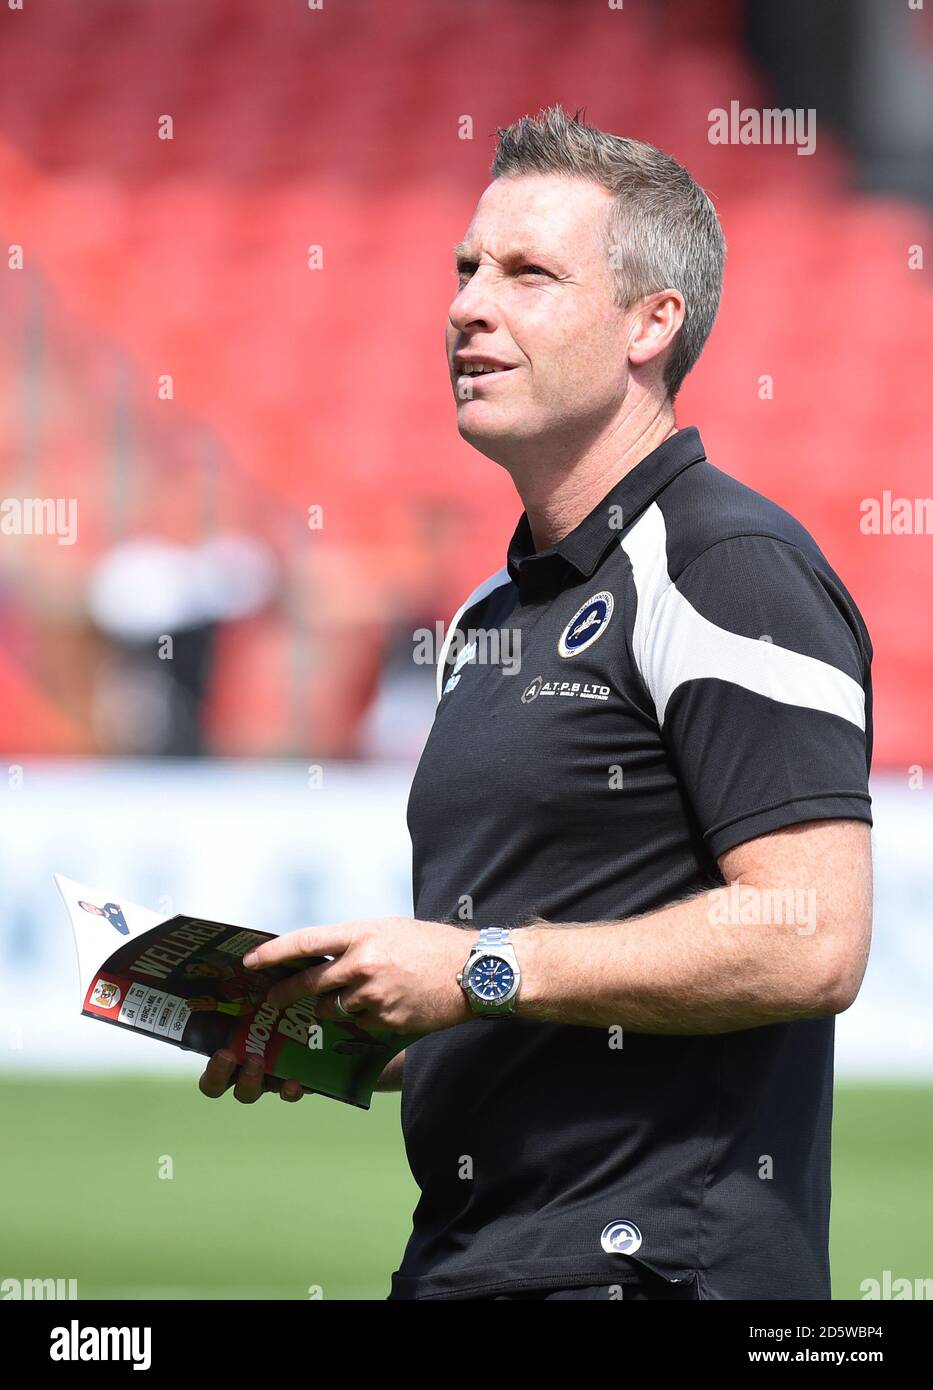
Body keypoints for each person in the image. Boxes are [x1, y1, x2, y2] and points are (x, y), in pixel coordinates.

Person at [199, 106, 873, 1302]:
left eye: (527, 273)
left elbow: (812, 936)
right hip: (469, 1263)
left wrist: (473, 969)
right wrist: (355, 1027)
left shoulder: (727, 564)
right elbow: (535, 977)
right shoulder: (490, 615)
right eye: (465, 267)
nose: (466, 304)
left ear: (648, 325)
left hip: (656, 1271)